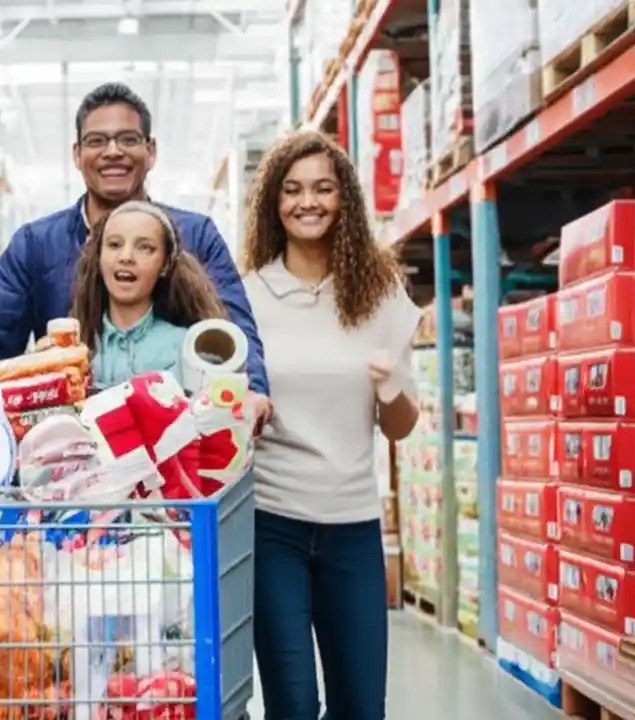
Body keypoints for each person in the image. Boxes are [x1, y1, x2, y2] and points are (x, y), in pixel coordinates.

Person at [0, 82, 271, 418]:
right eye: (96, 141)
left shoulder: (196, 236)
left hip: (177, 445)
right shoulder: (36, 245)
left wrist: (254, 392)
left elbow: (234, 335)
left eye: (128, 139)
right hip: (71, 448)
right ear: (77, 154)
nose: (113, 151)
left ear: (151, 151)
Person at [240, 130, 421, 719]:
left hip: (351, 527)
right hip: (272, 525)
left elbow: (401, 426)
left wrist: (390, 388)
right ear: (273, 202)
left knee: (362, 706)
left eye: (323, 188)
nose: (307, 201)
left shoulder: (380, 293)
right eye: (291, 190)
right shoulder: (248, 298)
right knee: (292, 705)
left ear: (346, 199)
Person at [67, 200, 228, 390]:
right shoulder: (71, 350)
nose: (126, 257)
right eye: (114, 244)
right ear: (99, 257)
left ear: (165, 264)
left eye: (145, 248)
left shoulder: (188, 348)